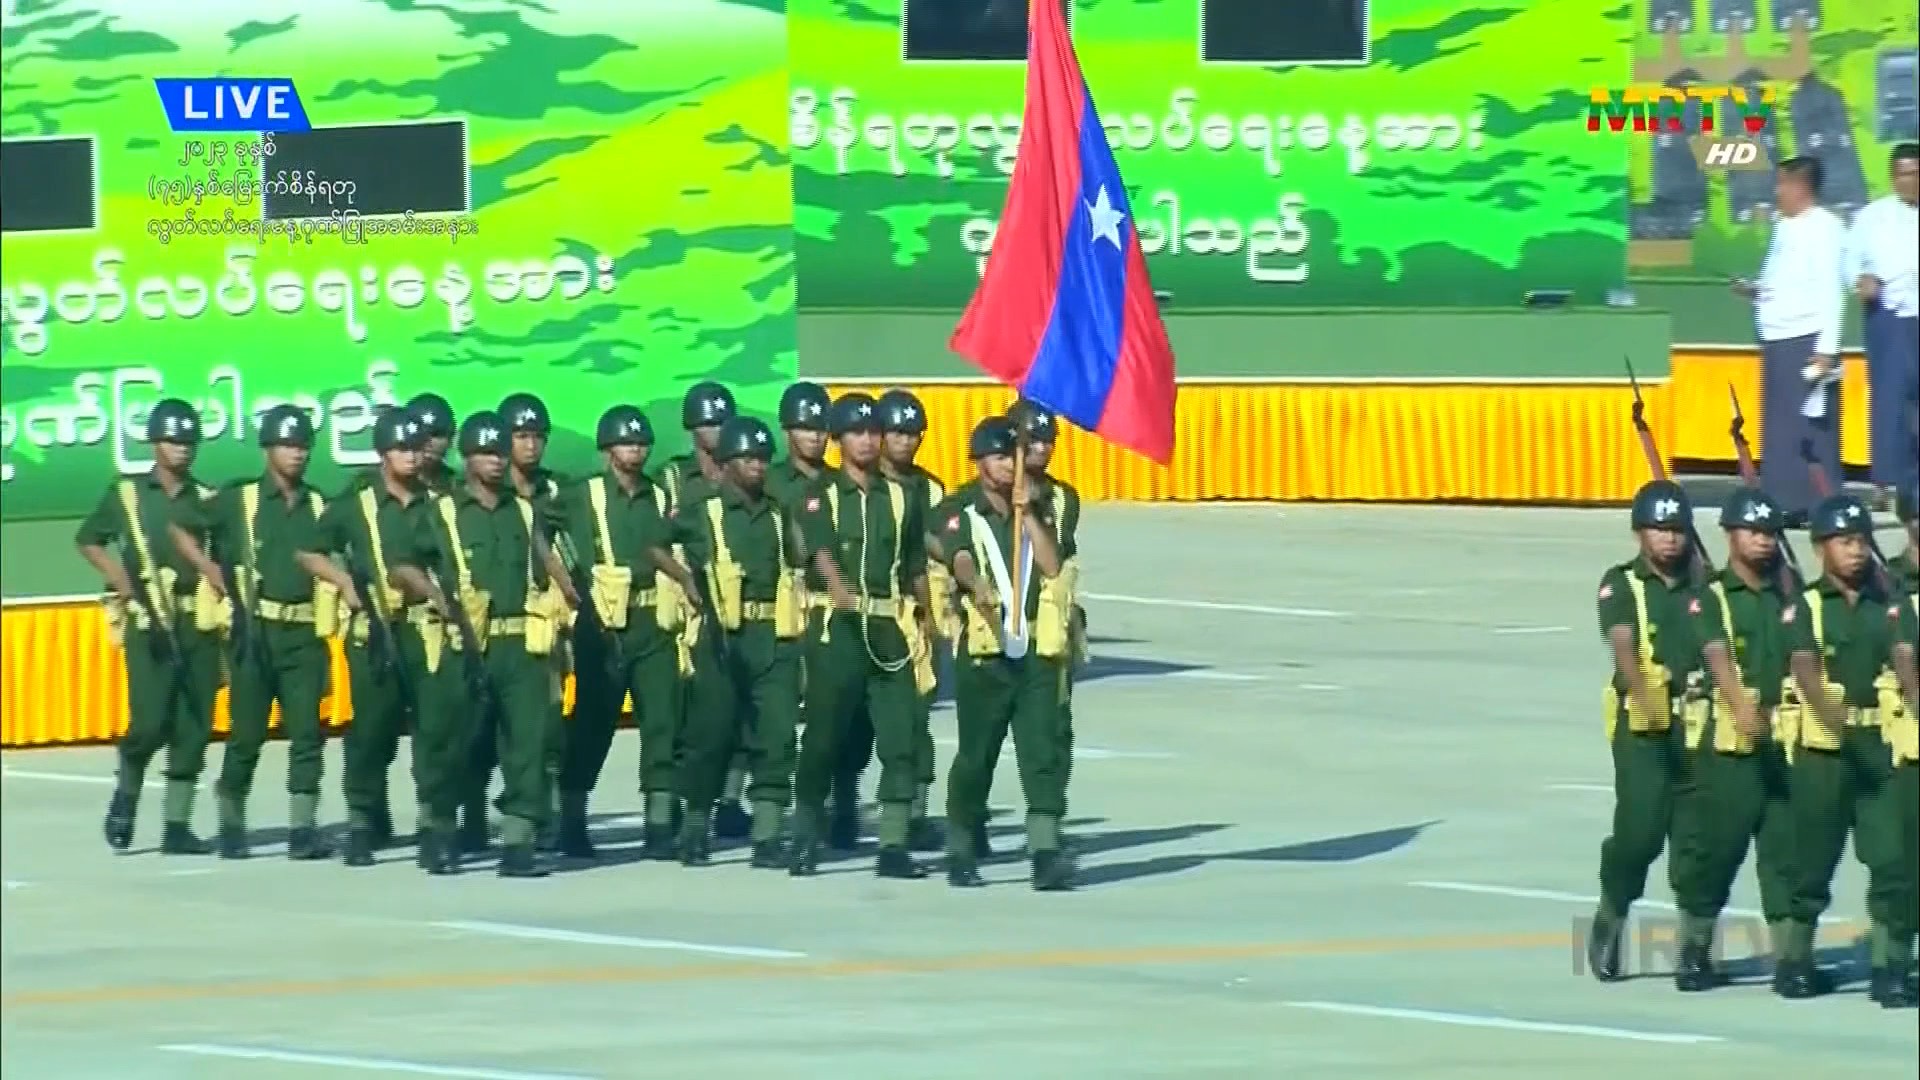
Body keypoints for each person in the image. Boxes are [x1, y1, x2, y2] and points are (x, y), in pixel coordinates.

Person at [392, 411, 568, 878]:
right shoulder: (443, 511)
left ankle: (518, 842)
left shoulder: (524, 509)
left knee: (527, 743)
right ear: (466, 459)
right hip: (467, 644)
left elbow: (546, 556)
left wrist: (570, 598)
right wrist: (436, 597)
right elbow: (403, 566)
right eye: (484, 453)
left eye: (499, 452)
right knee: (453, 742)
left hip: (521, 643)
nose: (494, 461)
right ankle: (439, 831)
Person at [170, 404, 334, 861]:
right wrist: (210, 569)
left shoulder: (319, 504)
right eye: (287, 445)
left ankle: (303, 829)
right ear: (267, 450)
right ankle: (231, 822)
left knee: (306, 736)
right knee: (246, 736)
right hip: (252, 635)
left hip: (303, 636)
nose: (297, 454)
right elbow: (181, 527)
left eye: (303, 445)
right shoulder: (237, 499)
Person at [1776, 494, 1919, 1006]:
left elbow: (1905, 656)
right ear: (1820, 549)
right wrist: (1830, 714)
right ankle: (1794, 961)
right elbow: (1804, 666)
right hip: (1826, 752)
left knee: (1897, 860)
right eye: (1844, 542)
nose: (1856, 551)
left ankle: (1891, 967)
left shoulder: (1894, 603)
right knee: (1813, 858)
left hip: (1880, 746)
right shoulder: (1805, 607)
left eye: (1861, 541)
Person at [294, 409, 446, 869]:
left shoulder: (440, 501)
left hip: (426, 629)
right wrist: (342, 581)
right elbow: (307, 551)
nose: (411, 457)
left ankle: (431, 822)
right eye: (401, 449)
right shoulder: (354, 504)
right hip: (373, 633)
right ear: (383, 454)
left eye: (416, 448)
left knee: (432, 728)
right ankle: (363, 821)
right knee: (372, 731)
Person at [790, 392, 931, 878]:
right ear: (837, 439)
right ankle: (805, 834)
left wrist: (927, 620)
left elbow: (914, 563)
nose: (868, 440)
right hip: (838, 627)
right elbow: (821, 549)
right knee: (825, 737)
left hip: (890, 627)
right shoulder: (818, 492)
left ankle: (893, 845)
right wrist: (839, 589)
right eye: (856, 432)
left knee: (901, 737)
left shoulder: (902, 496)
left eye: (873, 431)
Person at [74, 398, 224, 855]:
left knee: (195, 724)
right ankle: (127, 793)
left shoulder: (207, 498)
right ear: (155, 444)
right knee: (150, 721)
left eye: (188, 441)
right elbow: (89, 540)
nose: (181, 449)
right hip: (149, 618)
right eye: (172, 440)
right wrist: (121, 581)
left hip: (196, 619)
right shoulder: (127, 494)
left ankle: (177, 825)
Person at [937, 415, 1074, 891]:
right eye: (999, 457)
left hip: (1037, 647)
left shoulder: (1042, 504)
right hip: (986, 649)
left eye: (1013, 456)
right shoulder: (959, 508)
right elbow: (957, 555)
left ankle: (1044, 850)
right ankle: (960, 846)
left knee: (1041, 747)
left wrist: (1031, 514)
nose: (1008, 465)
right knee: (978, 754)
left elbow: (1053, 566)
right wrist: (973, 583)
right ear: (978, 463)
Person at [661, 416, 804, 868]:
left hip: (773, 635)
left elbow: (803, 555)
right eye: (748, 458)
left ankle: (767, 834)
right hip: (722, 637)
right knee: (711, 735)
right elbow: (652, 543)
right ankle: (695, 826)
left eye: (763, 458)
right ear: (727, 463)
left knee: (777, 735)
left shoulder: (781, 513)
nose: (758, 466)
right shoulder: (704, 510)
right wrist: (688, 580)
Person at [1670, 487, 1799, 991]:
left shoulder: (1791, 597)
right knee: (1716, 853)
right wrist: (1741, 704)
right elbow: (1715, 653)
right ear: (1730, 535)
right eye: (1754, 532)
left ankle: (1791, 959)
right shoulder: (1709, 597)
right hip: (1726, 750)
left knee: (1786, 855)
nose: (1764, 542)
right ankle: (1694, 951)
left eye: (1771, 533)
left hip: (1782, 744)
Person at [1584, 479, 1702, 982]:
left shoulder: (1706, 586)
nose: (1669, 539)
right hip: (1644, 722)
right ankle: (1613, 911)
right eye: (1659, 529)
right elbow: (1623, 644)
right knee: (1641, 830)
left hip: (1699, 720)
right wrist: (1645, 693)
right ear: (1639, 534)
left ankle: (1695, 948)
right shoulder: (1621, 583)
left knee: (1700, 837)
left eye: (1677, 529)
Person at [559, 405, 685, 861]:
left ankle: (659, 824)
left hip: (654, 621)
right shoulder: (583, 494)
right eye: (626, 442)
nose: (635, 449)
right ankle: (571, 818)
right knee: (594, 723)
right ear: (608, 449)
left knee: (662, 722)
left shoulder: (660, 494)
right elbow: (537, 531)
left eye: (641, 442)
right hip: (603, 624)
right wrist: (569, 586)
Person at [1734, 156, 1847, 521]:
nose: (1777, 191)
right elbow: (1780, 279)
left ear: (1801, 187)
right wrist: (1756, 291)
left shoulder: (1826, 228)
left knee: (1812, 427)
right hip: (1778, 339)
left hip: (1808, 340)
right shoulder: (1784, 226)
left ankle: (1822, 503)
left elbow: (1833, 289)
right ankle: (1784, 502)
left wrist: (1827, 350)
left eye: (1782, 184)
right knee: (1781, 427)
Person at [661, 381, 746, 837]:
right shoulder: (674, 479)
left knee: (739, 711)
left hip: (739, 605)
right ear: (692, 429)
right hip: (686, 606)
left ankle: (731, 800)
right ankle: (679, 800)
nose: (717, 431)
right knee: (687, 711)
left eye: (723, 421)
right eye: (709, 423)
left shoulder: (749, 474)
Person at [1849, 143, 1920, 505]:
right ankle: (1885, 484)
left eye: (1918, 172)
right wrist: (1862, 279)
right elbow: (1850, 259)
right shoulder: (1872, 216)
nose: (1914, 180)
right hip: (1888, 317)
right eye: (1907, 173)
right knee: (1891, 400)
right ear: (1894, 177)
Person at [408, 392, 459, 496]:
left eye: (436, 434)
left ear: (451, 438)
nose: (427, 442)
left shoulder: (463, 489)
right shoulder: (386, 487)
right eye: (419, 433)